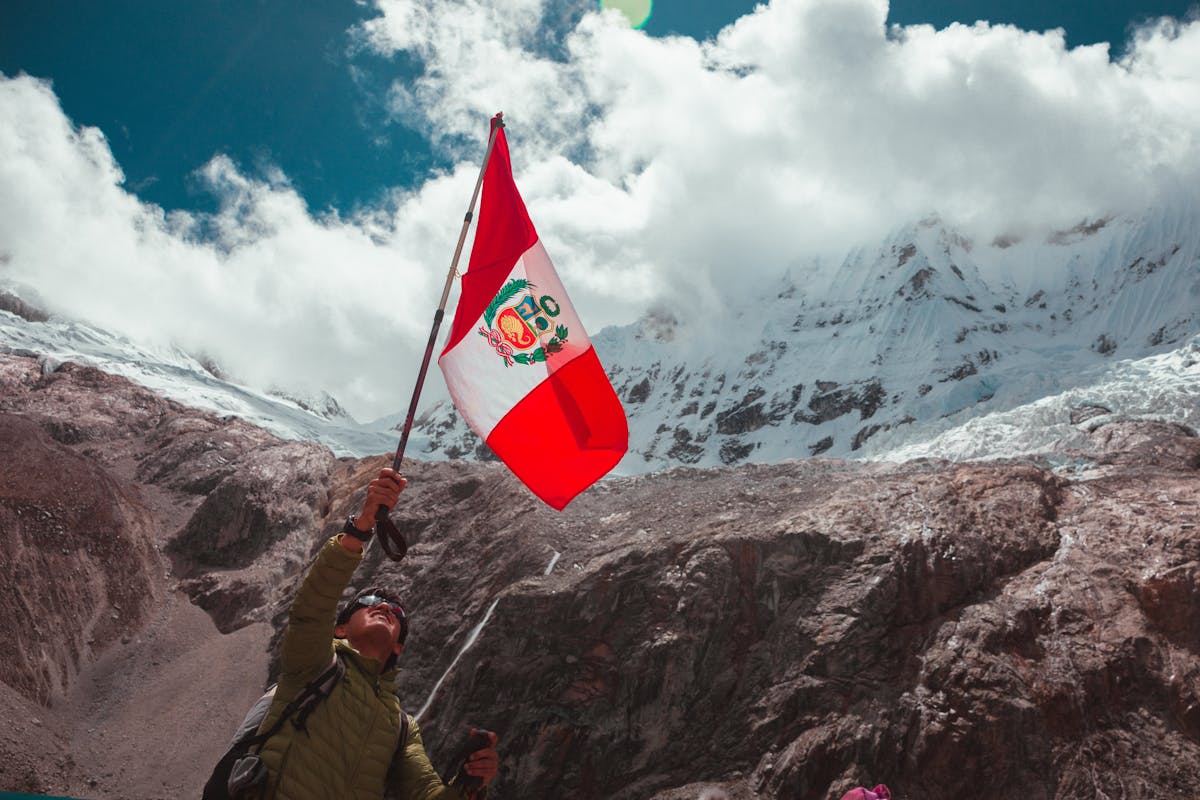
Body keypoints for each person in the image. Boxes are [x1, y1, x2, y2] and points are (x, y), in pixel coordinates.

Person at [250, 468, 499, 800]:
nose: (384, 608)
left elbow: (428, 794)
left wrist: (471, 785)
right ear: (339, 628)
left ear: (398, 647)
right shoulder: (313, 664)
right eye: (368, 602)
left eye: (396, 614)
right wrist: (362, 524)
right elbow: (313, 606)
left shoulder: (400, 728)